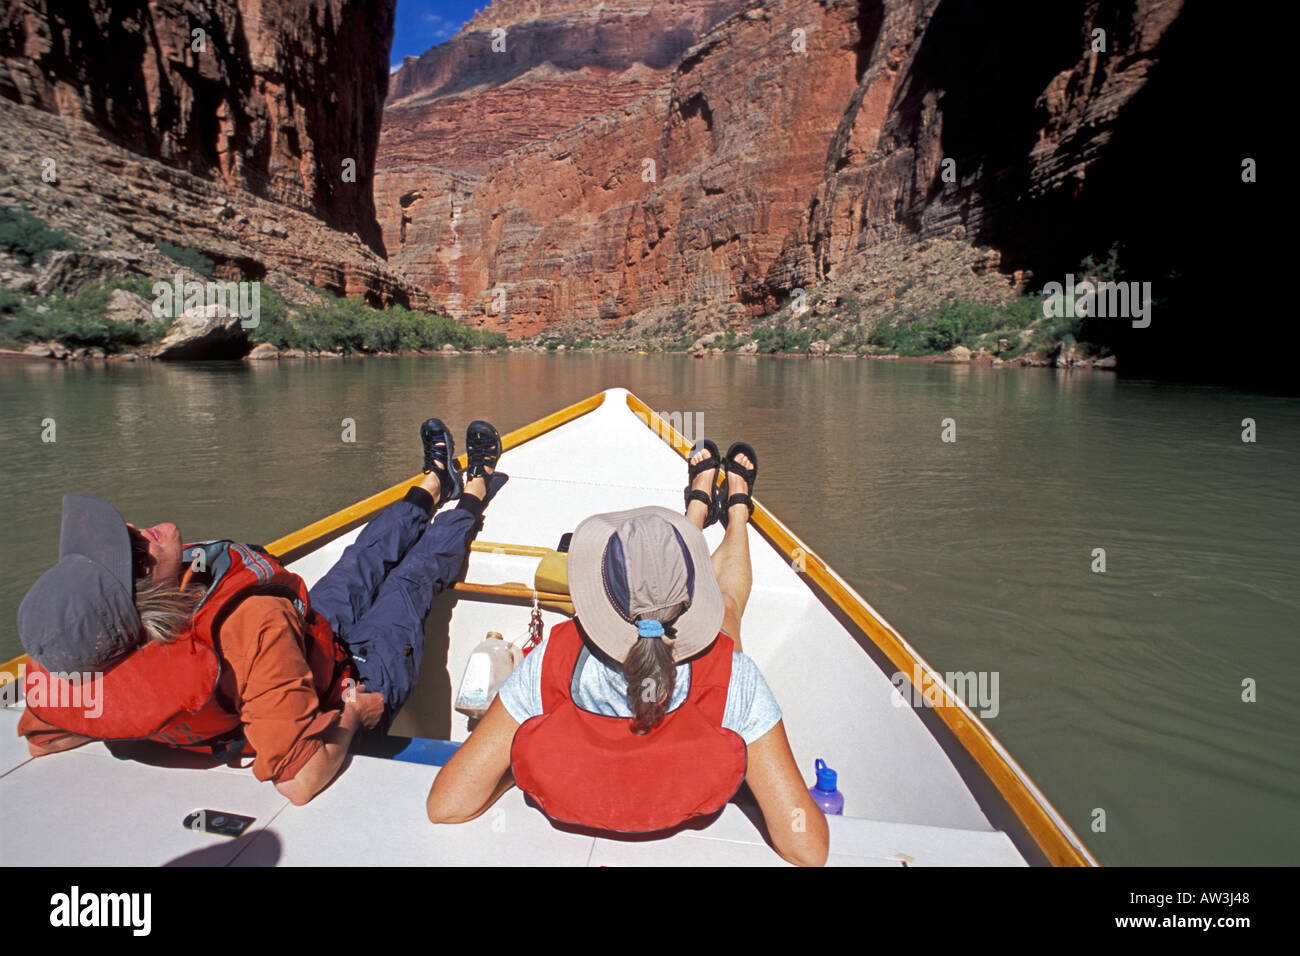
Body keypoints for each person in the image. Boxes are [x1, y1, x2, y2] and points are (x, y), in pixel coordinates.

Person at [16, 418, 503, 806]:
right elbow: (300, 780)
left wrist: (140, 723)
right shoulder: (250, 623)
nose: (137, 527)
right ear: (152, 603)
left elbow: (44, 741)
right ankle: (474, 490)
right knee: (409, 581)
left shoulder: (79, 649)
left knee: (362, 557)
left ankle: (433, 483)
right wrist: (354, 713)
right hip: (357, 679)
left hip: (312, 636)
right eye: (129, 548)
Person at [425, 441, 829, 866]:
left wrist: (514, 775)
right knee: (728, 607)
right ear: (691, 605)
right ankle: (737, 512)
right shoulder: (734, 675)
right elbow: (807, 848)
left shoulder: (554, 660)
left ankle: (697, 505)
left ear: (603, 596)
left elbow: (447, 804)